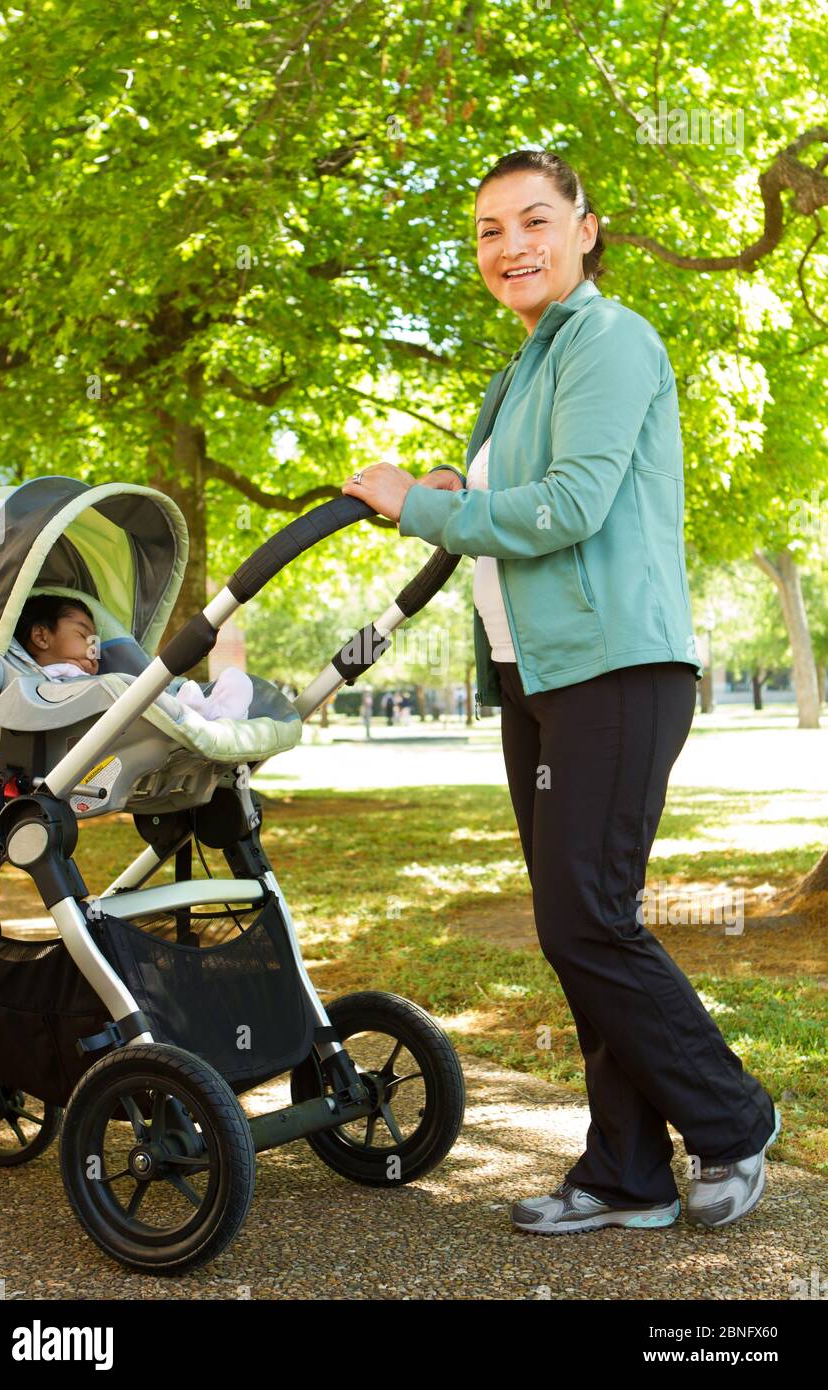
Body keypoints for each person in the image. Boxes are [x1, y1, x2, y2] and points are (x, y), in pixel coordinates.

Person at [341, 148, 779, 1236]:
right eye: (489, 230)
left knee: (582, 918)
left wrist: (421, 507)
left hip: (614, 670)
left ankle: (729, 1118)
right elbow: (513, 491)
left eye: (533, 220)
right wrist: (453, 481)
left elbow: (570, 506)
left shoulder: (611, 339)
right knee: (577, 921)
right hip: (534, 676)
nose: (510, 246)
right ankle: (624, 1172)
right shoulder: (526, 363)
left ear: (585, 228)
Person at [14, 595, 254, 721]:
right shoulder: (40, 684)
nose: (94, 650)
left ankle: (207, 711)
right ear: (41, 636)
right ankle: (203, 713)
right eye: (83, 635)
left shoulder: (87, 678)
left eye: (96, 642)